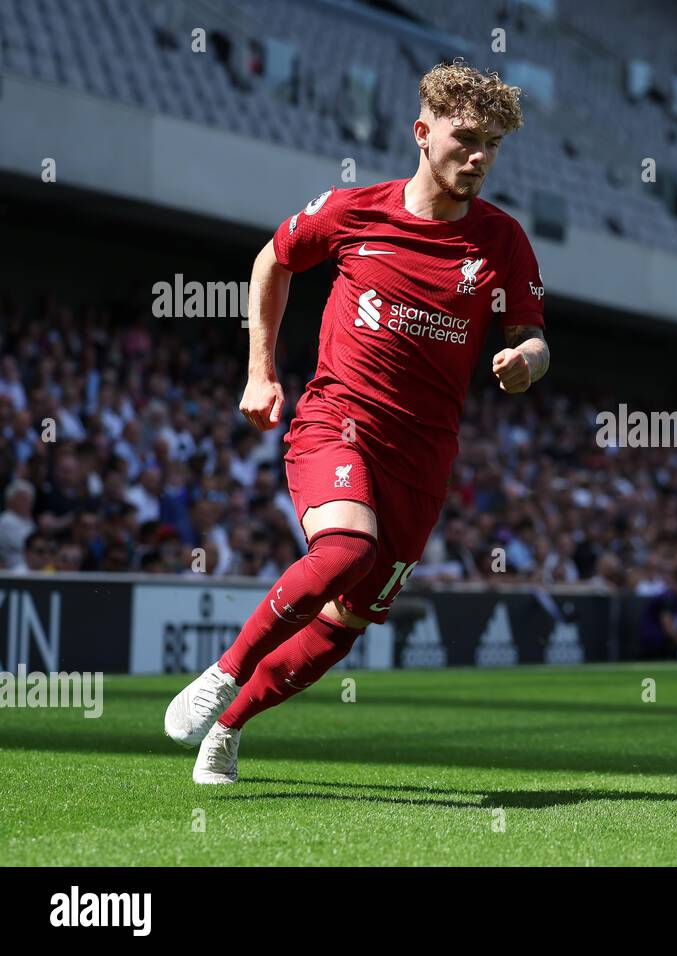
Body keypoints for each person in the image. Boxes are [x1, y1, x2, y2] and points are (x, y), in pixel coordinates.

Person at [164, 61, 549, 784]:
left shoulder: (503, 241)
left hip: (425, 455)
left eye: (493, 144)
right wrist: (260, 370)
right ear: (422, 132)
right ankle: (223, 671)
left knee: (346, 622)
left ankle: (231, 723)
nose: (480, 156)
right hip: (336, 421)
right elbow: (273, 259)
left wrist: (528, 358)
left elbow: (531, 335)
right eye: (467, 138)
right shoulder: (353, 211)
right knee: (346, 551)